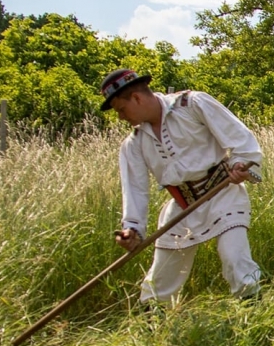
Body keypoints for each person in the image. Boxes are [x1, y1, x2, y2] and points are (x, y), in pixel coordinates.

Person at [102, 68, 263, 306]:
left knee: (234, 258)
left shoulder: (193, 104)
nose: (121, 117)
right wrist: (132, 229)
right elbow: (135, 189)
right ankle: (153, 328)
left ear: (136, 98)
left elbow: (242, 140)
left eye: (121, 110)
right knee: (161, 279)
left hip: (223, 194)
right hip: (181, 207)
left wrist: (240, 165)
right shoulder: (134, 144)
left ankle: (256, 320)